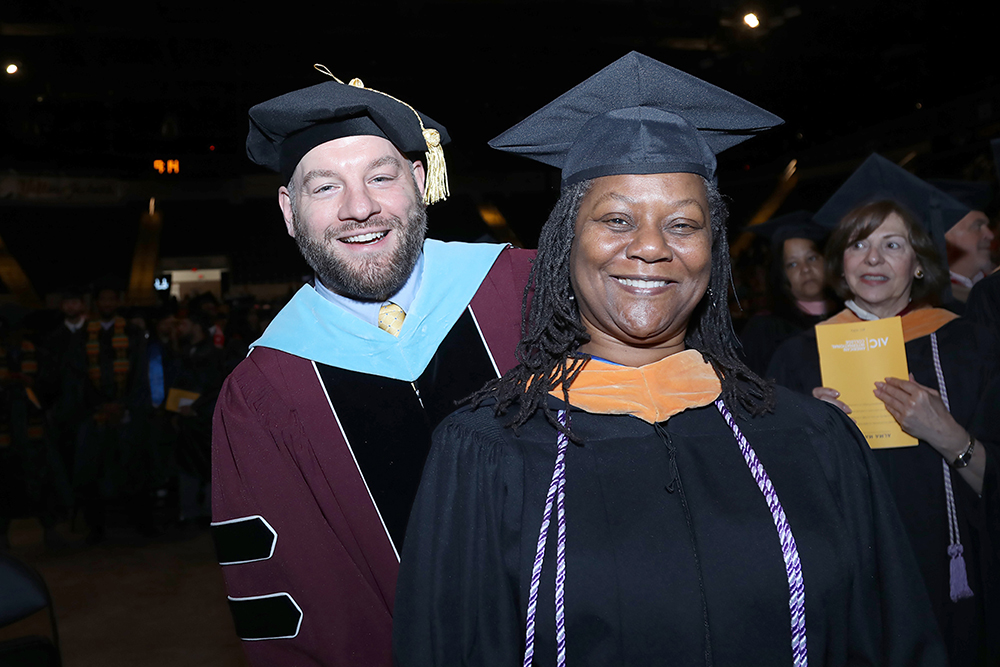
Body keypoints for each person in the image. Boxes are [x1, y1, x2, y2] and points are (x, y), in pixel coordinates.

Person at [394, 52, 945, 667]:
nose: (652, 248)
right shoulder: (488, 453)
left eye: (682, 225)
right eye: (617, 219)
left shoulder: (810, 438)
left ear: (713, 251)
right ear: (564, 243)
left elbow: (896, 639)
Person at [211, 69, 532, 666]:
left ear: (418, 180)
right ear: (288, 209)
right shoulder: (263, 394)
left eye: (380, 177)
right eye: (325, 187)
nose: (360, 209)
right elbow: (294, 605)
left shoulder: (525, 290)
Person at [768, 154, 999, 666]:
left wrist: (949, 436)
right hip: (849, 589)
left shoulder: (973, 347)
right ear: (840, 260)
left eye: (892, 245)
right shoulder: (796, 358)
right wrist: (804, 434)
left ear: (919, 262)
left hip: (948, 581)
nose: (872, 259)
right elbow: (772, 500)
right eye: (858, 244)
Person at [739, 211, 839, 376]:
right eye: (792, 264)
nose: (805, 269)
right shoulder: (765, 330)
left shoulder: (852, 317)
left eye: (812, 258)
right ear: (782, 276)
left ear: (826, 261)